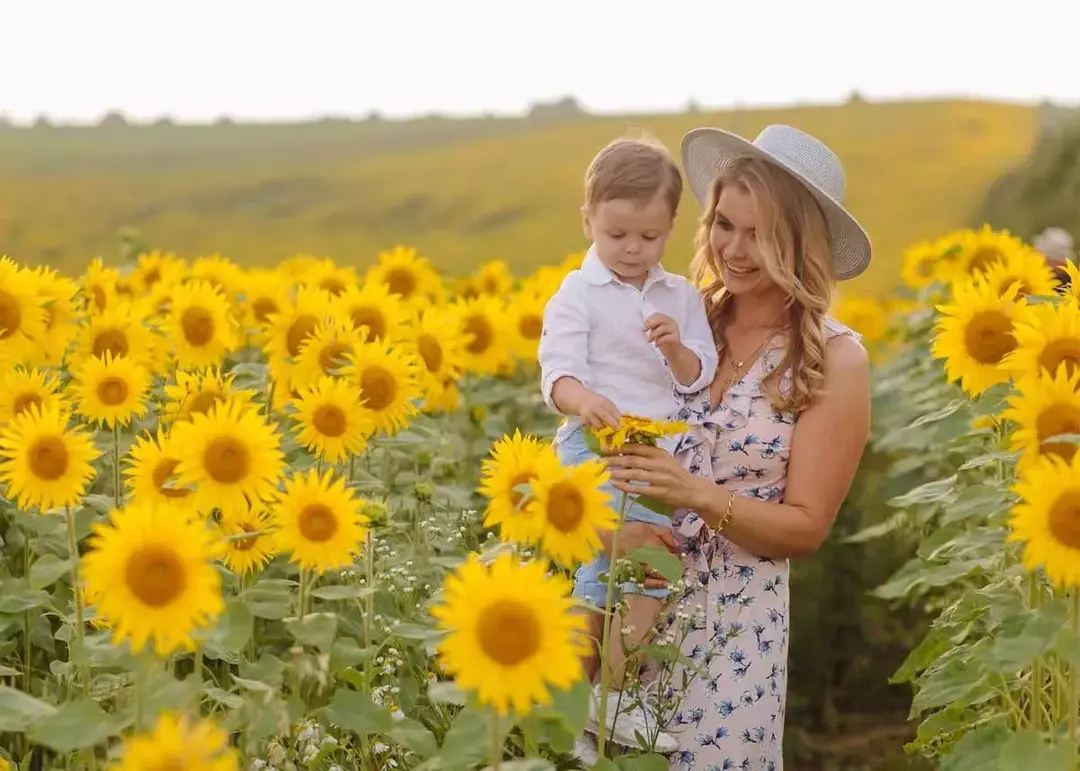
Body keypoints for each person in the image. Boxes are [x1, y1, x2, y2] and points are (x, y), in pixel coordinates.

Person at [600, 124, 873, 769]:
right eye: (725, 224)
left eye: (762, 234)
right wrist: (607, 531)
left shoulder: (835, 358)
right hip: (629, 605)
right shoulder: (682, 322)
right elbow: (601, 439)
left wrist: (691, 492)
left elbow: (806, 529)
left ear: (800, 243)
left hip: (732, 634)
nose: (736, 249)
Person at [537, 134, 719, 754]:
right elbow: (556, 371)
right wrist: (583, 399)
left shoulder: (681, 298)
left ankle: (594, 698)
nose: (632, 249)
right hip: (593, 445)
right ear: (588, 220)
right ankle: (604, 700)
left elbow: (702, 376)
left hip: (654, 451)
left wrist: (675, 349)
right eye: (616, 235)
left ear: (671, 226)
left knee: (631, 571)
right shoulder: (577, 293)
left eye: (648, 236)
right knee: (625, 561)